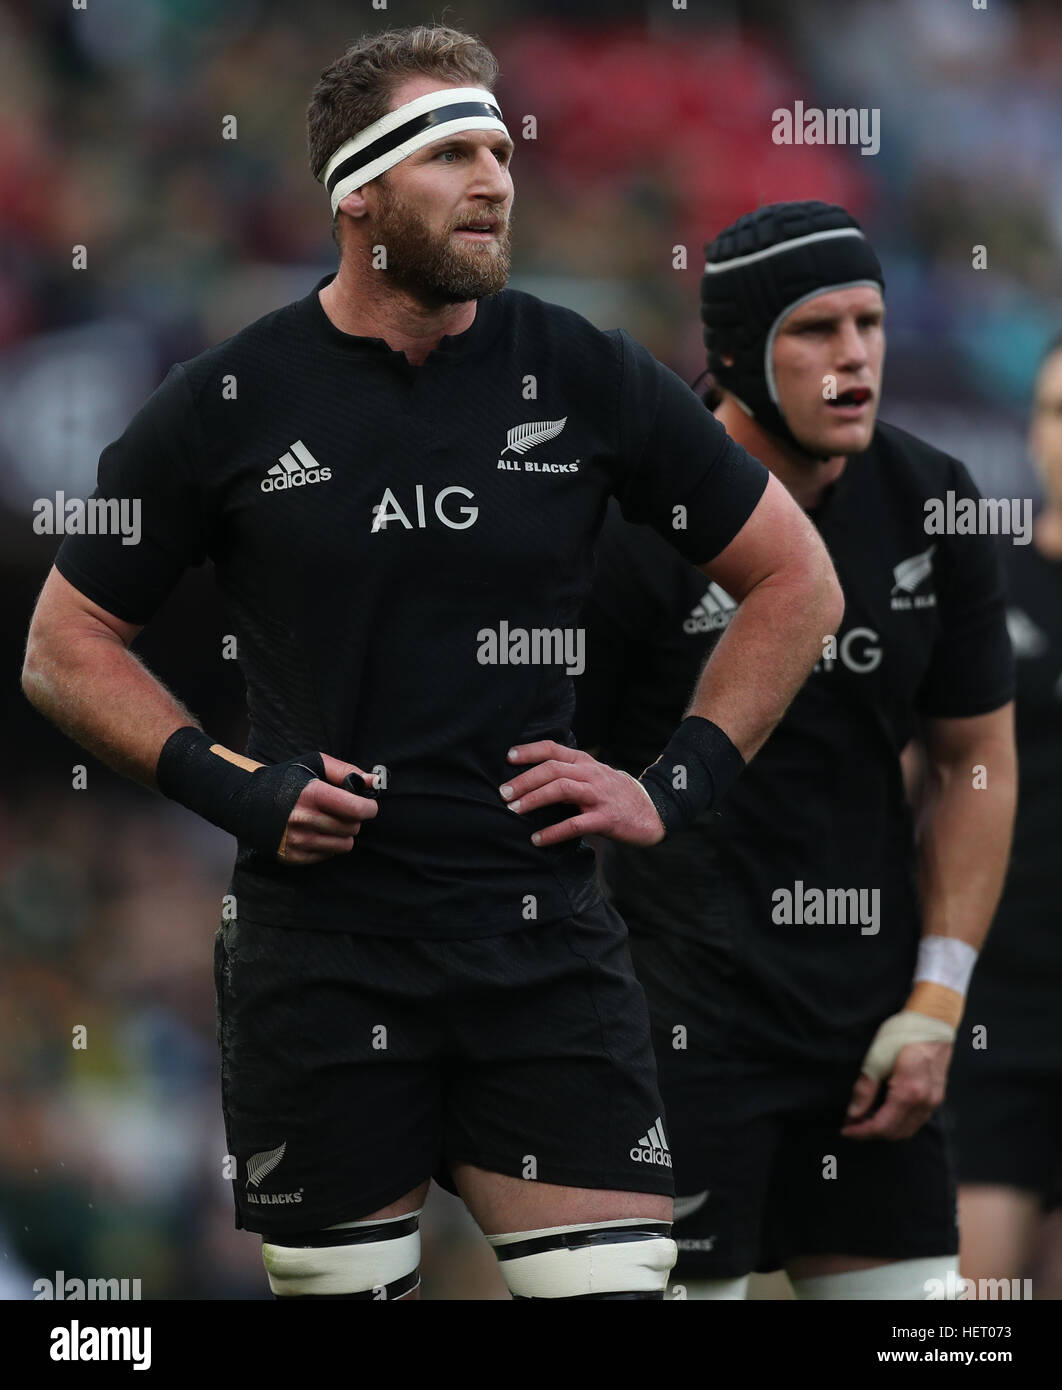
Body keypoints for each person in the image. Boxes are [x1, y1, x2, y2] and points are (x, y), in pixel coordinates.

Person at [20, 29, 841, 1301]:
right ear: (359, 193)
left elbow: (797, 580)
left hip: (546, 954)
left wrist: (673, 786)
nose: (496, 178)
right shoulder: (225, 401)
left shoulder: (588, 370)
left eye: (502, 151)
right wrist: (233, 782)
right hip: (324, 958)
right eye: (452, 151)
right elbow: (64, 646)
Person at [573, 200, 1017, 1300]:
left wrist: (938, 999)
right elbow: (540, 778)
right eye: (817, 330)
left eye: (869, 323)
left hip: (872, 1038)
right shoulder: (629, 524)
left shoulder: (934, 502)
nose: (856, 356)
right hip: (678, 1033)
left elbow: (978, 761)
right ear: (733, 353)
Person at [947, 333, 1062, 1297]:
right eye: (1055, 410)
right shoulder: (988, 587)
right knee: (975, 1303)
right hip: (998, 1002)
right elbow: (918, 781)